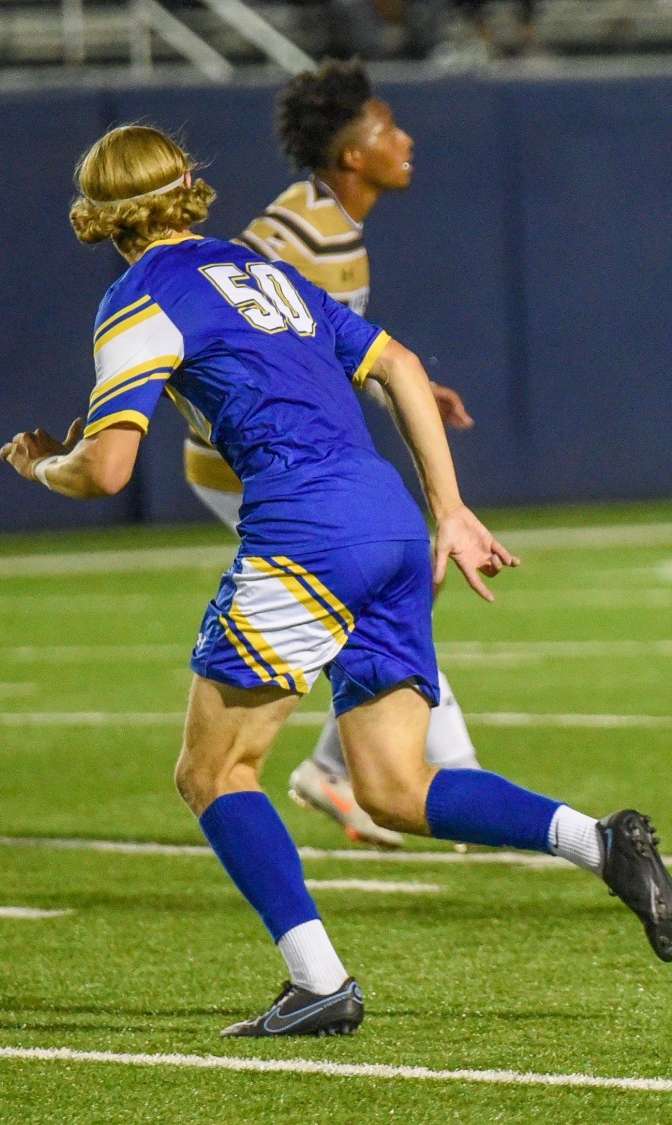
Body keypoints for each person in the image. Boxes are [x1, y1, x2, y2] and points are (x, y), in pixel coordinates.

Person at [1, 125, 672, 1037]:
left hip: (305, 536)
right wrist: (452, 508)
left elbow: (109, 470)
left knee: (214, 770)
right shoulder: (270, 274)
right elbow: (399, 365)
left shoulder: (136, 298)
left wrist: (42, 466)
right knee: (395, 787)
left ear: (94, 216)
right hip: (392, 521)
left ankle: (318, 981)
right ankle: (597, 843)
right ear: (188, 189)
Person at [203, 61, 483, 852]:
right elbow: (246, 340)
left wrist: (416, 389)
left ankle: (337, 766)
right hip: (252, 464)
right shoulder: (294, 230)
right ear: (352, 156)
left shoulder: (331, 224)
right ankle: (445, 764)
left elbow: (325, 348)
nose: (406, 139)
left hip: (297, 460)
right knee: (375, 588)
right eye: (388, 128)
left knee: (377, 600)